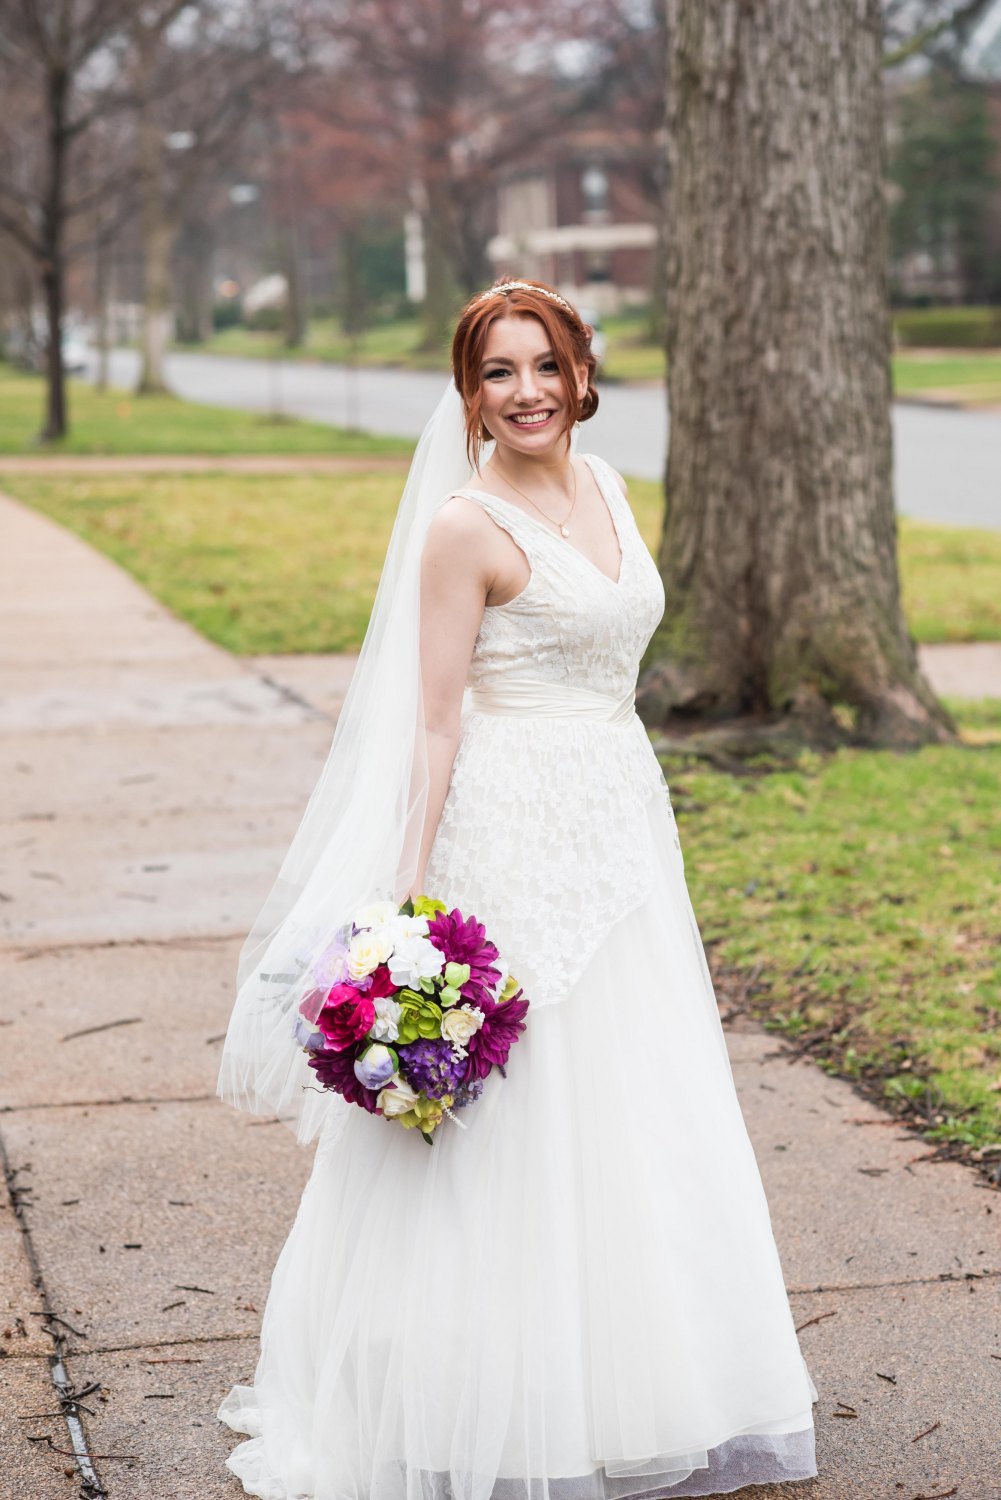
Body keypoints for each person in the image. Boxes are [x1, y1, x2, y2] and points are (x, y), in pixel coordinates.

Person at [215, 279, 818, 1499]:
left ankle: (645, 1386)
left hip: (617, 818)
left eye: (544, 364)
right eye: (498, 372)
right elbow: (430, 727)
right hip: (507, 823)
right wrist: (410, 906)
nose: (526, 391)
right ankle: (476, 1409)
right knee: (520, 1117)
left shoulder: (607, 490)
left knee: (640, 1098)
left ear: (581, 371)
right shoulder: (462, 528)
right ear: (468, 393)